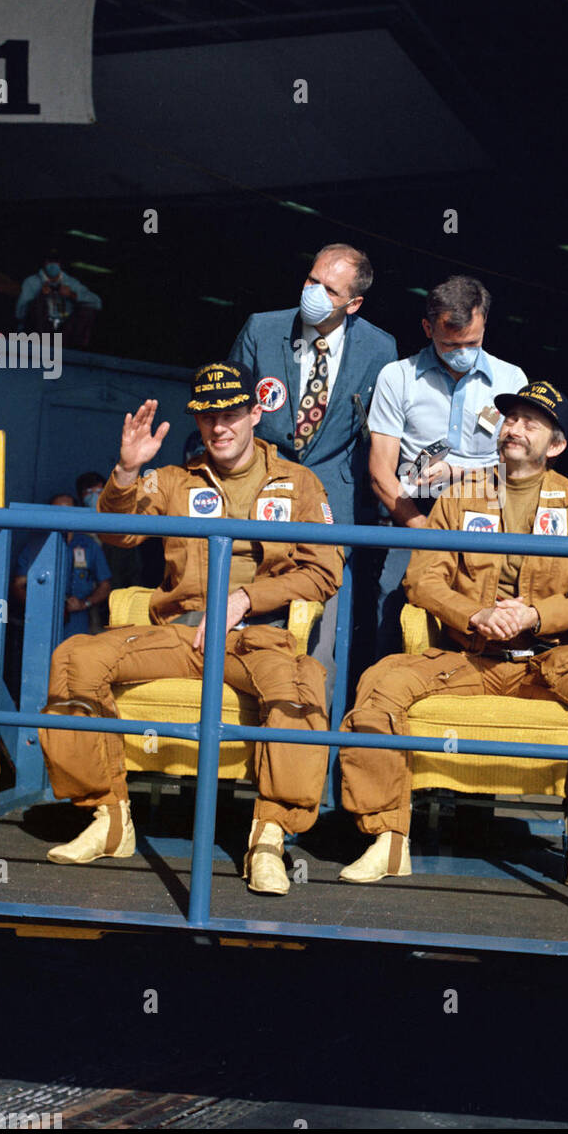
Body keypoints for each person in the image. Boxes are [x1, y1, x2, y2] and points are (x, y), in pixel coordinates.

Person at [38, 361, 344, 896]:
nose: (218, 427)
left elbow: (324, 569)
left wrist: (248, 598)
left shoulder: (297, 482)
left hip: (258, 634)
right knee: (75, 658)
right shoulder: (175, 480)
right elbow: (117, 532)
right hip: (179, 631)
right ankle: (108, 818)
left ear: (254, 413)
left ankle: (269, 836)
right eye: (206, 417)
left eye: (229, 413)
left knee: (301, 686)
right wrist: (127, 471)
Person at [337, 381, 568, 901]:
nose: (515, 429)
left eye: (532, 423)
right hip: (467, 655)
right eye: (511, 419)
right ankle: (387, 837)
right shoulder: (461, 494)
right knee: (378, 686)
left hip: (549, 659)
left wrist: (534, 615)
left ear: (557, 445)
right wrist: (475, 613)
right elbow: (421, 580)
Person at [228, 244, 397, 686]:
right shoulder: (262, 329)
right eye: (311, 280)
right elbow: (231, 411)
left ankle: (309, 748)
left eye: (329, 288)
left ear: (354, 303)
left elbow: (377, 435)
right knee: (244, 631)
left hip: (330, 511)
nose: (314, 293)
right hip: (255, 503)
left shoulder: (380, 349)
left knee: (319, 649)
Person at [367, 275, 528, 652]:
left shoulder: (511, 380)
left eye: (472, 343)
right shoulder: (398, 378)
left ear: (485, 323)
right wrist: (423, 531)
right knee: (395, 624)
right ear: (427, 328)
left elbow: (521, 469)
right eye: (449, 344)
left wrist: (459, 473)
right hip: (414, 518)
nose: (461, 352)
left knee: (488, 626)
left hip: (492, 520)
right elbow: (380, 472)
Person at [13, 492, 112, 643]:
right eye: (57, 510)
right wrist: (39, 606)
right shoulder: (37, 545)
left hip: (77, 622)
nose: (63, 515)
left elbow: (105, 586)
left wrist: (84, 603)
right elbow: (18, 585)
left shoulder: (89, 545)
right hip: (42, 621)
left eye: (68, 510)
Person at [16, 249, 100, 348]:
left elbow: (97, 302)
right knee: (37, 303)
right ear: (44, 263)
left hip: (64, 331)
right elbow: (19, 313)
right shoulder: (31, 282)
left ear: (61, 264)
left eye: (55, 261)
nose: (52, 265)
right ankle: (42, 344)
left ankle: (75, 348)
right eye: (49, 261)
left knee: (87, 310)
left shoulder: (71, 283)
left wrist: (72, 295)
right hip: (38, 332)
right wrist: (41, 295)